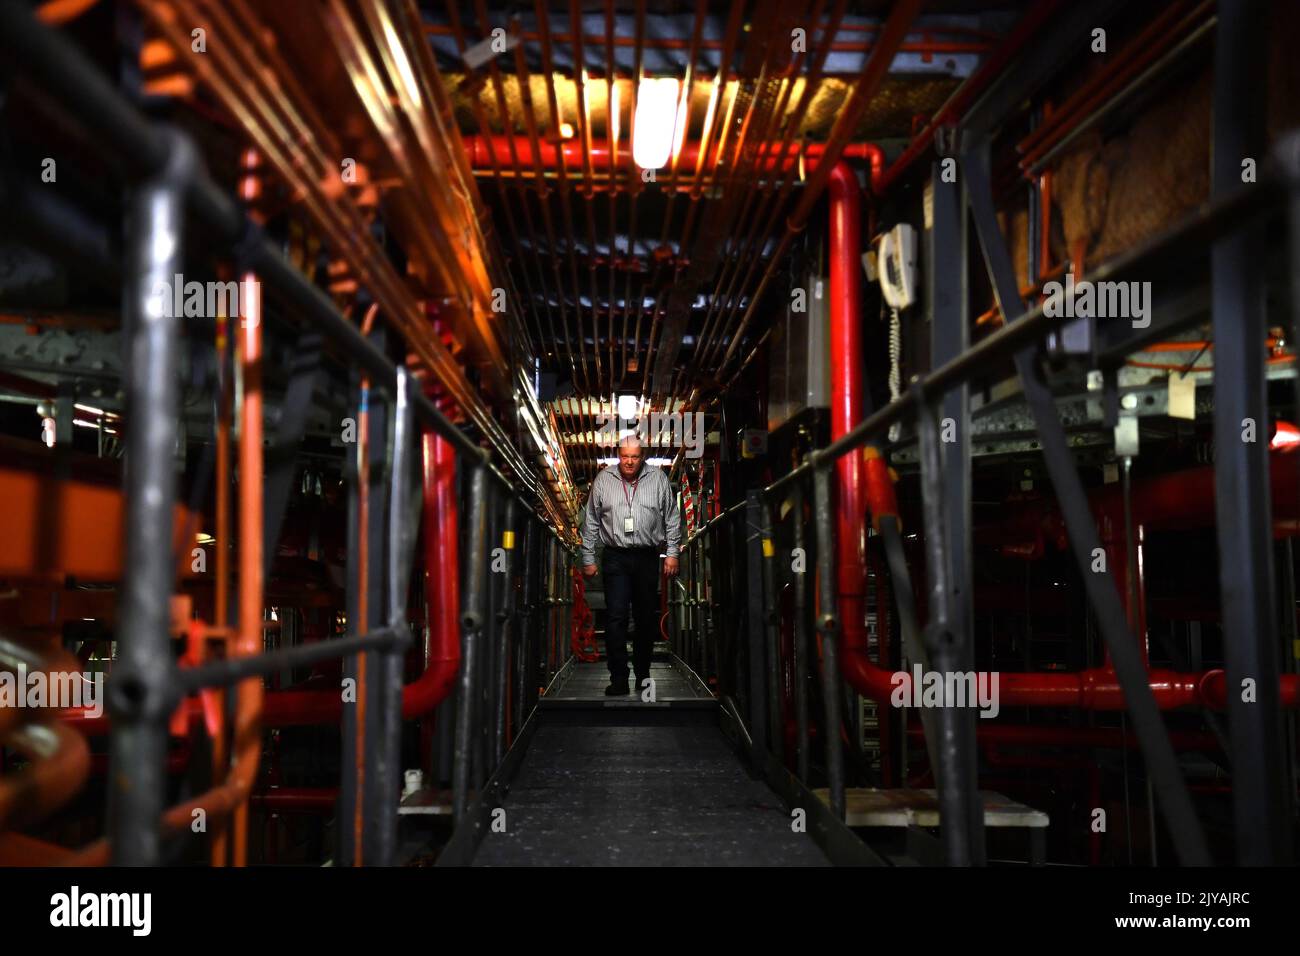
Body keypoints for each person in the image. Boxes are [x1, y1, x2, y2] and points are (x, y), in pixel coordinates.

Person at [580, 434, 681, 695]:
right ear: (618, 455)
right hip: (615, 556)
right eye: (625, 456)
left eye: (635, 457)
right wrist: (588, 557)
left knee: (646, 619)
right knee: (616, 617)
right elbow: (591, 519)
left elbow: (672, 517)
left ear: (642, 456)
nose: (629, 462)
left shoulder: (657, 478)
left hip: (647, 556)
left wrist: (672, 553)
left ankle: (644, 675)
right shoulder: (604, 479)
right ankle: (619, 678)